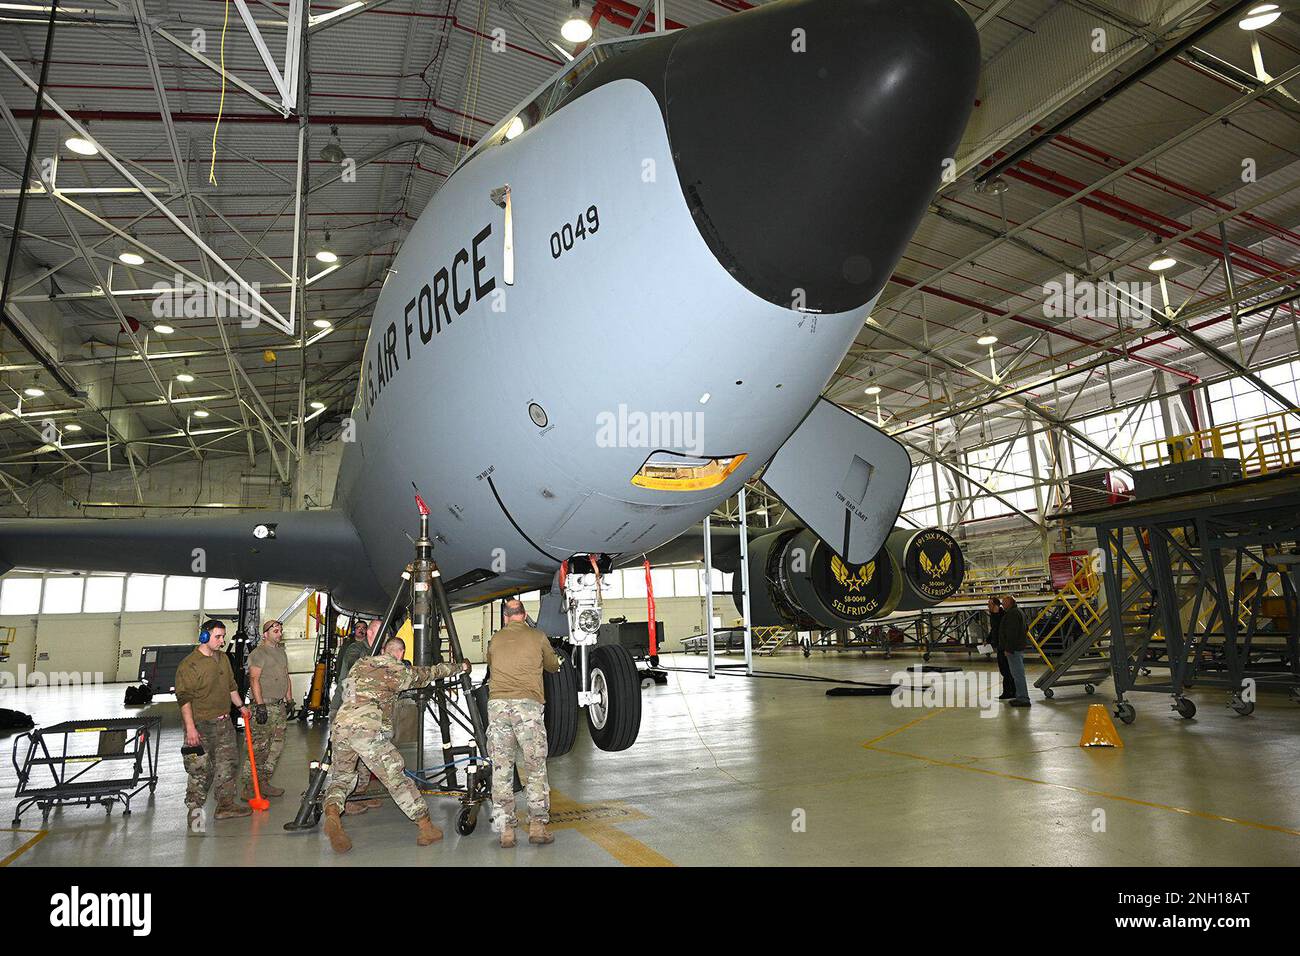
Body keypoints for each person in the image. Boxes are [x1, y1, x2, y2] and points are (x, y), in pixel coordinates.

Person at [321, 636, 469, 854]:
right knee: (396, 778)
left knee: (342, 778)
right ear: (400, 653)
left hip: (341, 726)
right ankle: (426, 826)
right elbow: (429, 674)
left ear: (382, 649)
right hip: (366, 729)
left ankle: (333, 813)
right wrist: (460, 667)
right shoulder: (397, 669)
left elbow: (348, 693)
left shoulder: (361, 664)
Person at [486, 598, 560, 848]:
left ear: (506, 617)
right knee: (535, 767)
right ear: (524, 615)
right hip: (527, 708)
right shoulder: (538, 636)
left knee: (501, 768)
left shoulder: (495, 639)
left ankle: (506, 830)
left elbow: (491, 664)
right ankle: (538, 826)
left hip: (498, 708)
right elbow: (552, 666)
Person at [175, 619, 251, 827]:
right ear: (204, 636)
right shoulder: (189, 665)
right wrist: (190, 728)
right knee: (200, 770)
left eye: (223, 637)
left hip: (224, 723)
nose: (222, 641)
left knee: (228, 765)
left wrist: (242, 707)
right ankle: (195, 811)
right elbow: (184, 700)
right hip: (201, 725)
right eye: (218, 637)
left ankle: (225, 806)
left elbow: (231, 686)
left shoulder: (223, 659)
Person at [331, 618, 384, 815]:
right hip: (346, 710)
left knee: (364, 759)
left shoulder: (377, 651)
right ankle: (343, 800)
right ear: (370, 633)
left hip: (365, 713)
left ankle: (359, 794)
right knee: (346, 760)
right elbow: (354, 669)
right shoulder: (356, 649)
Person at [240, 620, 292, 800]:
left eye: (280, 631)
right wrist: (260, 705)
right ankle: (248, 787)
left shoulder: (281, 652)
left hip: (279, 706)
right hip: (265, 706)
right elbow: (254, 680)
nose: (279, 633)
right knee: (258, 748)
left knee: (276, 747)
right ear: (265, 634)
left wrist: (289, 699)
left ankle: (263, 782)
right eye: (276, 631)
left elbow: (286, 676)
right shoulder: (259, 653)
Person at [999, 595, 1031, 707]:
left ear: (1010, 603)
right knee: (1018, 674)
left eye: (1004, 602)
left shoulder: (1012, 614)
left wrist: (1009, 648)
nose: (1002, 604)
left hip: (1014, 649)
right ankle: (1020, 696)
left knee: (1017, 674)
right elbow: (1026, 628)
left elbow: (1011, 633)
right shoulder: (1019, 612)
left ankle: (1023, 698)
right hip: (1018, 647)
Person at [986, 597, 1015, 701]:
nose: (988, 607)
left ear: (996, 605)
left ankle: (1009, 692)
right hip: (999, 645)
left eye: (989, 604)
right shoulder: (993, 616)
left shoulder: (1003, 615)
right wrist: (988, 639)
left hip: (1004, 646)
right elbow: (994, 629)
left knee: (1006, 670)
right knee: (1004, 670)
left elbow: (1004, 631)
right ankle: (1009, 691)